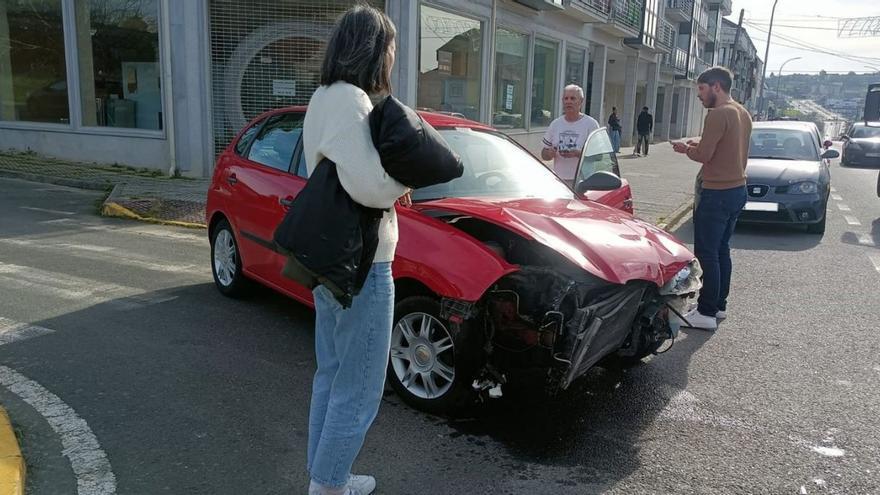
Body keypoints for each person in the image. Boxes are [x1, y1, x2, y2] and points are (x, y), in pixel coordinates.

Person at [302, 6, 408, 495]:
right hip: (364, 263)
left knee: (332, 372)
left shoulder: (323, 96)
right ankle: (327, 487)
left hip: (331, 258)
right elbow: (368, 185)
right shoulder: (350, 100)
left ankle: (328, 476)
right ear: (373, 50)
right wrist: (402, 181)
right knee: (361, 386)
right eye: (389, 47)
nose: (392, 56)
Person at [672, 66, 751, 331]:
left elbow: (704, 155)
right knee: (721, 251)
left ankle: (705, 313)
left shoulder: (718, 114)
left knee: (707, 253)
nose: (700, 97)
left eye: (702, 90)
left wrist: (686, 148)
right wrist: (700, 143)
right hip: (738, 189)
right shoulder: (742, 112)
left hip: (717, 191)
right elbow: (724, 148)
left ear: (716, 86)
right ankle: (718, 306)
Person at [540, 85, 600, 185]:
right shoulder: (555, 124)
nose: (568, 101)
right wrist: (549, 153)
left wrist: (578, 154)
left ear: (581, 101)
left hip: (583, 182)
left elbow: (598, 156)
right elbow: (543, 154)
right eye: (566, 98)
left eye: (572, 98)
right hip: (559, 181)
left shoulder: (591, 124)